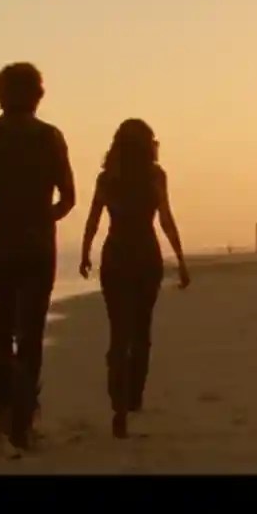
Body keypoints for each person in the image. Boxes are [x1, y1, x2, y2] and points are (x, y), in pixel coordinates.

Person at [0, 62, 75, 452]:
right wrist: (43, 216)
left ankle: (6, 417)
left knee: (0, 331)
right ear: (39, 96)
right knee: (31, 335)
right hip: (38, 246)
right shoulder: (51, 137)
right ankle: (24, 421)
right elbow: (69, 197)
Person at [79, 119, 190, 439]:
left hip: (115, 256)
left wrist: (86, 253)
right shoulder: (156, 177)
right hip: (145, 255)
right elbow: (166, 219)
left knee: (118, 332)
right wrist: (180, 260)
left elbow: (93, 220)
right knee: (141, 331)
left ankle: (118, 404)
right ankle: (134, 398)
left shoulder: (107, 178)